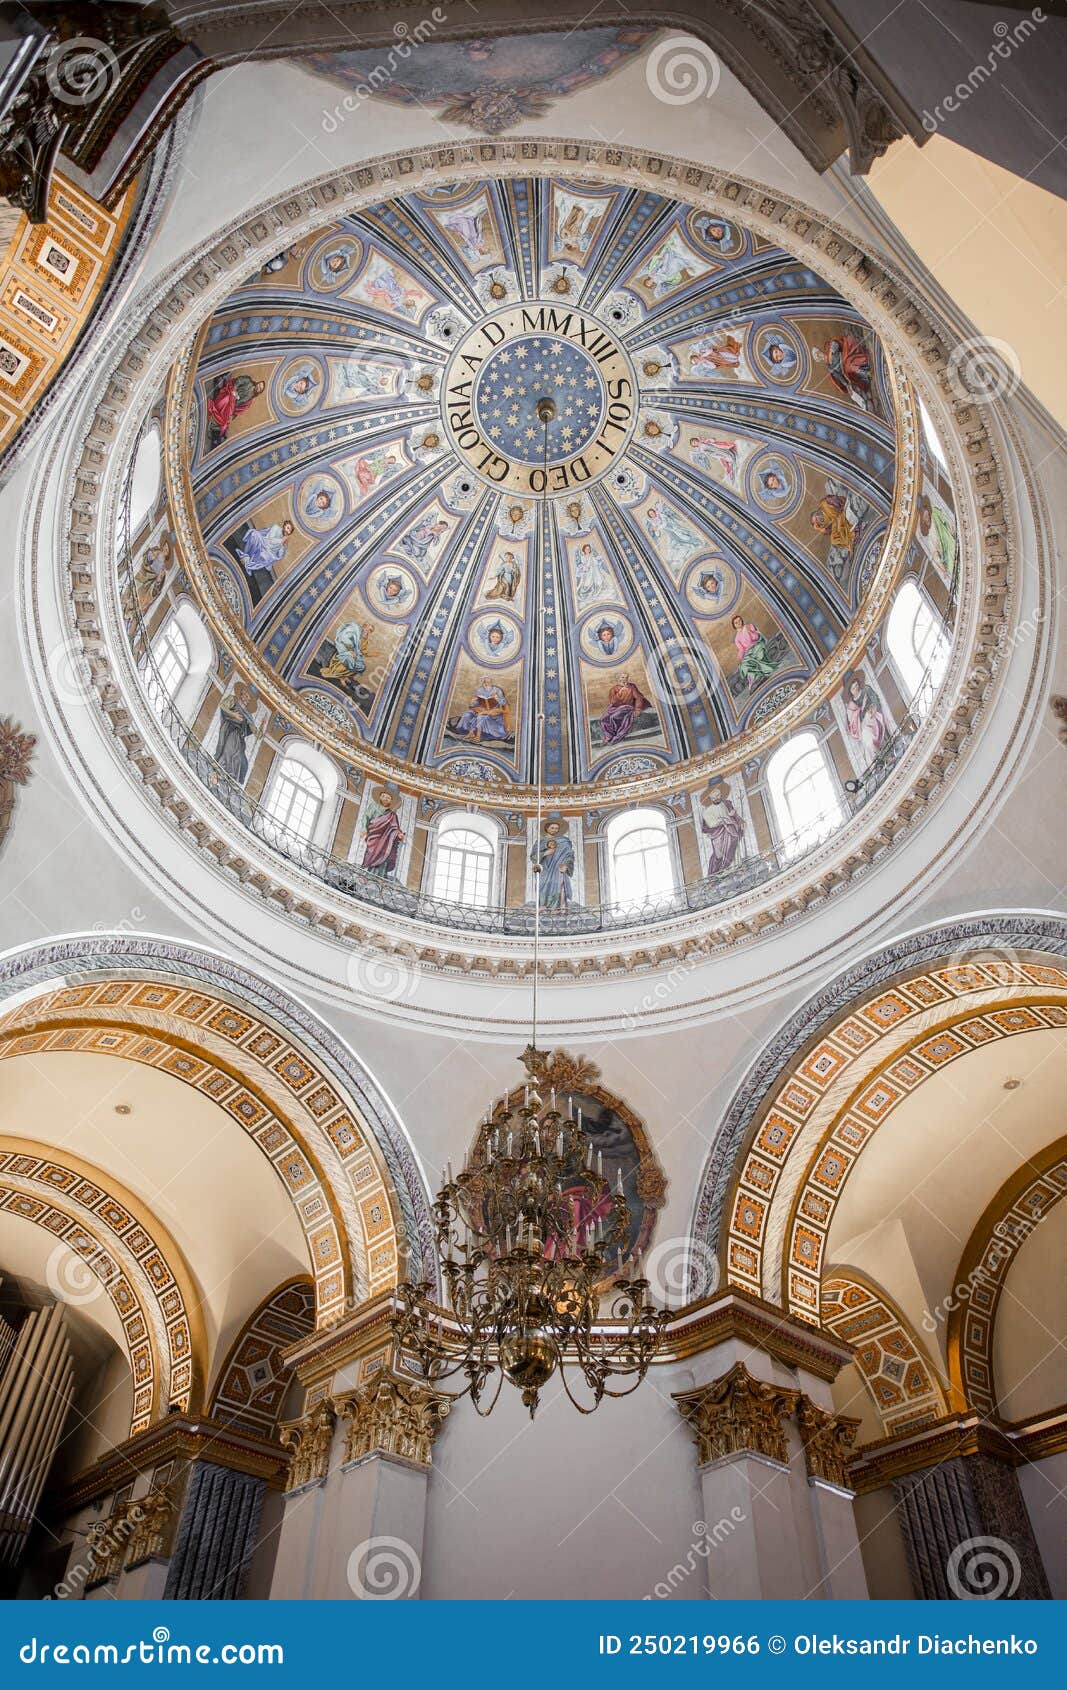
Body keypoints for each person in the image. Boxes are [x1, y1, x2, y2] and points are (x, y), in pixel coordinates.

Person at [236, 518, 294, 606]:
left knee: (266, 557)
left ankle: (249, 565)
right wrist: (280, 541)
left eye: (289, 529)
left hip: (269, 552)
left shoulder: (284, 543)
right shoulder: (276, 528)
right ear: (284, 525)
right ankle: (246, 555)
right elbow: (270, 540)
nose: (287, 530)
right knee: (255, 535)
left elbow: (280, 555)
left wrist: (283, 545)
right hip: (264, 541)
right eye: (288, 527)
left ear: (289, 533)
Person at [206, 370, 265, 448]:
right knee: (227, 400)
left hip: (232, 405)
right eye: (259, 385)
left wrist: (232, 416)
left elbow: (240, 409)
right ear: (258, 383)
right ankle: (215, 418)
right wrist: (235, 389)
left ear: (259, 392)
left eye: (260, 389)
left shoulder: (250, 400)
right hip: (231, 391)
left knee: (227, 418)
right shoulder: (248, 381)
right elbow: (239, 380)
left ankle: (215, 430)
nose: (258, 388)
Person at [812, 333, 872, 409]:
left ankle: (865, 372)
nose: (819, 355)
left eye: (818, 353)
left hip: (846, 354)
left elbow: (836, 343)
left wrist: (831, 352)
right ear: (819, 360)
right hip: (845, 369)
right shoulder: (830, 367)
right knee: (848, 367)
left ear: (820, 351)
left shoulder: (828, 348)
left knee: (849, 363)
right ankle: (864, 373)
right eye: (817, 357)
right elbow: (839, 376)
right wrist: (847, 386)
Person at [214, 683, 257, 784]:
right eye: (246, 695)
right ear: (242, 693)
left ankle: (231, 776)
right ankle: (220, 770)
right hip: (229, 729)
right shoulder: (233, 699)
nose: (246, 699)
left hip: (239, 736)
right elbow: (222, 706)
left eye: (249, 698)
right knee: (228, 750)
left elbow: (254, 732)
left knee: (243, 761)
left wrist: (260, 726)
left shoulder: (248, 715)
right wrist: (234, 714)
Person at [699, 781, 744, 875]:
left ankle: (736, 868)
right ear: (710, 798)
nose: (717, 798)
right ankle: (717, 873)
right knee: (718, 855)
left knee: (733, 848)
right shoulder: (708, 811)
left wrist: (736, 818)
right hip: (718, 835)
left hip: (730, 832)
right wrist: (725, 819)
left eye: (718, 795)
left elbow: (734, 816)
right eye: (714, 797)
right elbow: (711, 824)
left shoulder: (726, 804)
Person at [531, 819, 574, 913]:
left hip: (558, 869)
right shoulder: (540, 842)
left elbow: (570, 855)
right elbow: (533, 857)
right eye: (552, 828)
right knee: (542, 886)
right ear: (547, 828)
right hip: (544, 870)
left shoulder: (564, 841)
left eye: (557, 828)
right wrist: (545, 853)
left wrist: (566, 866)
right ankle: (543, 907)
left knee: (559, 887)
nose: (554, 830)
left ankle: (558, 909)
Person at [842, 670, 887, 762]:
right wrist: (862, 709)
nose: (856, 689)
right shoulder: (851, 704)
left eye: (856, 685)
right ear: (850, 691)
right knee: (866, 735)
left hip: (875, 716)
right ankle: (880, 756)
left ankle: (885, 751)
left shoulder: (866, 689)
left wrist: (873, 709)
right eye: (853, 688)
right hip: (863, 726)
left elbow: (876, 701)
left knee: (871, 725)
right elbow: (853, 722)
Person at [361, 789, 405, 877]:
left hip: (387, 839)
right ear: (380, 797)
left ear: (391, 801)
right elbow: (366, 817)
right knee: (371, 853)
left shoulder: (392, 815)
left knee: (385, 854)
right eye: (383, 796)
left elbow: (395, 828)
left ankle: (380, 875)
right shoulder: (373, 806)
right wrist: (364, 829)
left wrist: (399, 834)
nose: (385, 799)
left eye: (388, 798)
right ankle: (366, 874)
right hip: (374, 836)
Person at [453, 677, 511, 743]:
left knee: (481, 716)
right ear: (483, 683)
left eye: (489, 682)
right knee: (468, 713)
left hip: (494, 713)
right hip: (482, 709)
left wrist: (497, 698)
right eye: (486, 682)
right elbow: (474, 704)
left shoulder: (497, 690)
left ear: (492, 682)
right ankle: (470, 732)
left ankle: (478, 737)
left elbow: (504, 703)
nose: (488, 684)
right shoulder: (479, 690)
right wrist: (473, 702)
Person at [600, 675, 651, 745]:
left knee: (614, 717)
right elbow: (612, 702)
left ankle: (614, 736)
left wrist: (638, 709)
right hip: (615, 707)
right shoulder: (613, 689)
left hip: (628, 706)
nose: (625, 679)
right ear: (618, 679)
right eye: (622, 677)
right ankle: (609, 735)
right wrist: (620, 693)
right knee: (604, 719)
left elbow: (638, 698)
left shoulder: (631, 687)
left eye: (626, 677)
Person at [731, 615, 779, 688]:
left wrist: (750, 632)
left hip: (757, 644)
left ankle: (763, 673)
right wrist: (739, 658)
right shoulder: (737, 638)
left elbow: (756, 637)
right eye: (736, 622)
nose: (739, 623)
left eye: (739, 620)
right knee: (744, 664)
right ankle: (754, 680)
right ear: (734, 625)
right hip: (749, 651)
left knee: (757, 654)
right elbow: (741, 649)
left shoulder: (749, 626)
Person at [322, 621, 375, 686]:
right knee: (350, 660)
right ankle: (341, 677)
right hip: (345, 650)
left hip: (355, 654)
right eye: (367, 629)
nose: (368, 631)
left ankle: (344, 676)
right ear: (364, 627)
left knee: (361, 667)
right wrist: (350, 651)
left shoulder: (365, 639)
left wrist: (371, 654)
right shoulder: (355, 631)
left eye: (370, 630)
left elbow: (362, 650)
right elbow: (344, 639)